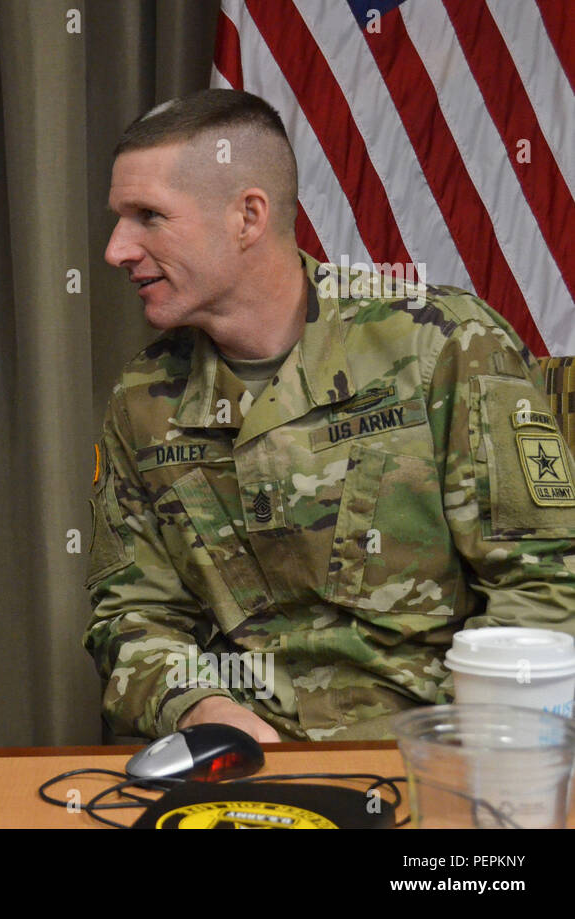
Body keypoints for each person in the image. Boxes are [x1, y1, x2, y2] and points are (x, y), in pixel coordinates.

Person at [84, 88, 575, 743]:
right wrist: (202, 711)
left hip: (433, 758)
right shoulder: (144, 399)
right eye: (120, 218)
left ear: (247, 217)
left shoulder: (440, 346)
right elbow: (133, 614)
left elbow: (549, 582)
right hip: (244, 765)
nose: (117, 248)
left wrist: (451, 742)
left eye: (148, 216)